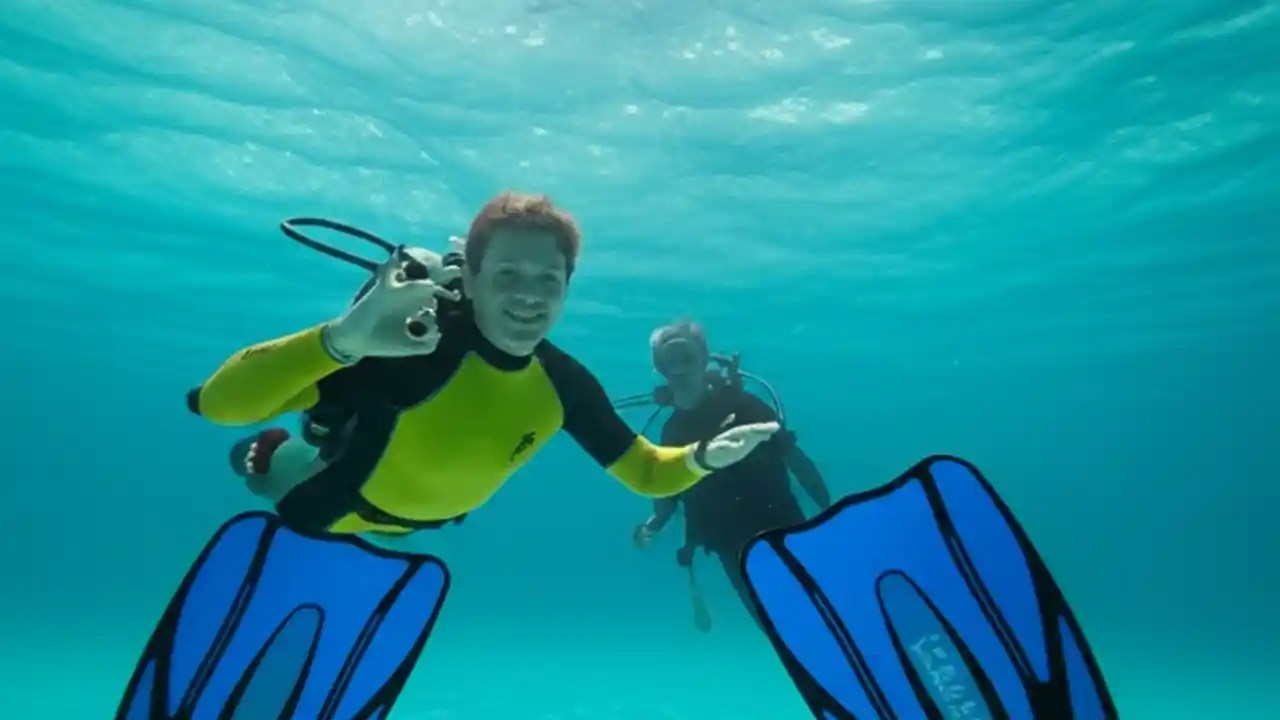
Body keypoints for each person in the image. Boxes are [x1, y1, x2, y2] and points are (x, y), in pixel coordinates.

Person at [186, 191, 780, 536]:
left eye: (549, 279)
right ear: (468, 277)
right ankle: (268, 453)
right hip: (328, 512)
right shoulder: (406, 349)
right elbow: (218, 404)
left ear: (567, 289)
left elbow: (647, 473)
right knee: (262, 467)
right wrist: (343, 338)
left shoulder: (563, 383)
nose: (529, 295)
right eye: (507, 275)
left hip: (423, 526)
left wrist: (703, 458)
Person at [627, 319, 831, 632]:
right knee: (778, 626)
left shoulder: (745, 406)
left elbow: (795, 460)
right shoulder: (672, 431)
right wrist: (653, 525)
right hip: (728, 541)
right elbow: (667, 488)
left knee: (822, 604)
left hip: (782, 522)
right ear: (659, 368)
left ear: (704, 358)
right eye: (670, 361)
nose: (679, 369)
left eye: (687, 358)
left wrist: (828, 511)